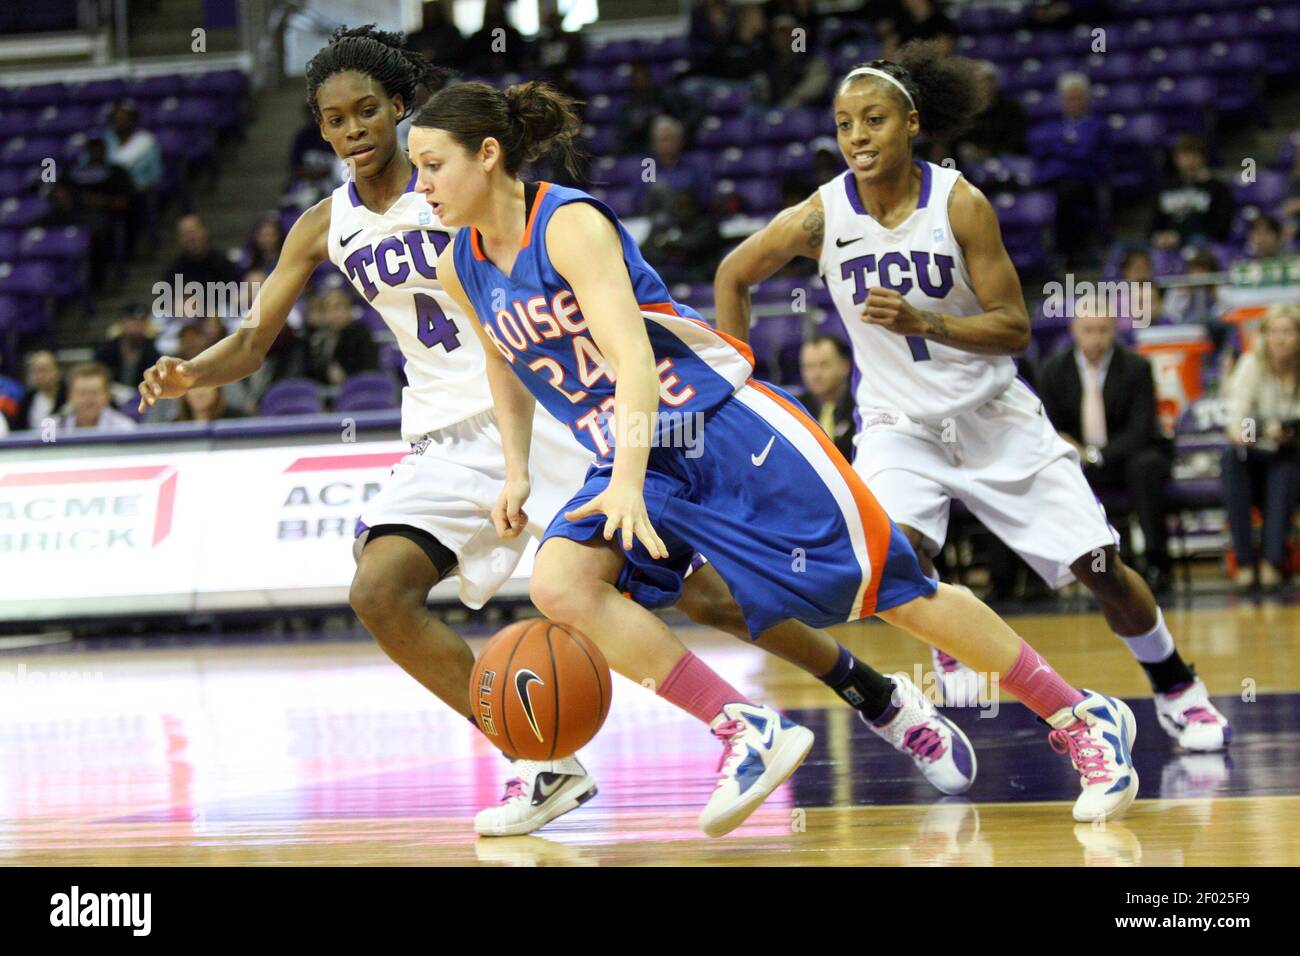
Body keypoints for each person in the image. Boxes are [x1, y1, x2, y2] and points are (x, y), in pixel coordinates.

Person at [139, 26, 976, 840]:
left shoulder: (457, 180)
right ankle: (541, 760)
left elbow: (546, 247)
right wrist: (189, 373)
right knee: (378, 593)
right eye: (333, 119)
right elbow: (251, 341)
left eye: (366, 111)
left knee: (703, 594)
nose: (352, 130)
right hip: (445, 430)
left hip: (552, 408)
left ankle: (872, 692)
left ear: (399, 108)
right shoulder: (323, 224)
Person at [415, 76, 1143, 825]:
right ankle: (747, 728)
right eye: (417, 169)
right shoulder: (457, 264)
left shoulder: (566, 224)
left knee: (896, 596)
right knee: (562, 582)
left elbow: (634, 357)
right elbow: (503, 363)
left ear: (489, 155)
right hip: (633, 453)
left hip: (720, 425)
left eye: (433, 164)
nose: (423, 185)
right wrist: (516, 471)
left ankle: (1079, 715)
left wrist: (626, 478)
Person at [714, 43, 1230, 759]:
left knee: (1101, 570)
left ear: (912, 124)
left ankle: (1174, 683)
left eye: (873, 120)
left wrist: (927, 321)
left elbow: (1014, 327)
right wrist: (735, 381)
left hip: (994, 419)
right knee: (894, 561)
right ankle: (952, 645)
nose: (857, 137)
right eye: (843, 125)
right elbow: (733, 274)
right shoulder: (821, 215)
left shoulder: (959, 204)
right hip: (900, 427)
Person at [1039, 303, 1175, 591]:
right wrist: (1071, 449)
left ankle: (1156, 563)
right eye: (1088, 330)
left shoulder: (1137, 367)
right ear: (1074, 331)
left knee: (1146, 466)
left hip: (1126, 458)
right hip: (1077, 462)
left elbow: (1140, 431)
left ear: (1114, 331)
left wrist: (1095, 455)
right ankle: (1058, 571)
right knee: (1047, 471)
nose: (1096, 338)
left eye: (1103, 330)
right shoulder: (1053, 370)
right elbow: (1047, 427)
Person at [1220, 307, 1300, 591]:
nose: (1280, 340)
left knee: (1286, 463)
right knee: (1231, 458)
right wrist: (1264, 431)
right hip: (1254, 454)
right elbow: (1236, 425)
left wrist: (1290, 433)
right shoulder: (1251, 365)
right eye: (1274, 332)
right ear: (1264, 336)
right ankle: (1243, 562)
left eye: (1288, 332)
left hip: (1293, 456)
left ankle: (1272, 561)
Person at [1028, 72, 1110, 268]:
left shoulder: (1097, 125)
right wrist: (1068, 147)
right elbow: (1037, 148)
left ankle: (1069, 253)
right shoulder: (1051, 126)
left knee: (1068, 197)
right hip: (1052, 181)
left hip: (1085, 182)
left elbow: (1086, 152)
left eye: (1077, 98)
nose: (1073, 103)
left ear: (1086, 99)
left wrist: (1057, 148)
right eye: (1068, 98)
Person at [1150, 134, 1235, 250]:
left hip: (1202, 247)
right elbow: (1154, 224)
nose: (1189, 161)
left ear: (1203, 158)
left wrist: (1181, 237)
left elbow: (1221, 227)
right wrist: (1158, 237)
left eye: (1194, 155)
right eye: (1185, 156)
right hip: (1168, 245)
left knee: (1198, 242)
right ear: (1176, 159)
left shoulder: (1218, 188)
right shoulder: (1166, 188)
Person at [302, 286, 379, 385]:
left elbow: (368, 369)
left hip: (359, 390)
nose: (334, 314)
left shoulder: (361, 334)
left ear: (348, 310)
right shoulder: (318, 339)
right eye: (329, 310)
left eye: (338, 308)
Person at [799, 334, 856, 460]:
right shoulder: (795, 408)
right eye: (809, 366)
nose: (816, 374)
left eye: (824, 365)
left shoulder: (860, 406)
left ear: (845, 366)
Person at [94, 304, 161, 392]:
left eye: (139, 322)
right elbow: (99, 376)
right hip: (110, 394)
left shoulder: (152, 352)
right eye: (131, 322)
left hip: (142, 396)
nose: (135, 327)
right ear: (122, 323)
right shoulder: (106, 351)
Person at [61, 363, 136, 433]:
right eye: (82, 393)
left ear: (108, 396)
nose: (88, 400)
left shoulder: (126, 428)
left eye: (94, 393)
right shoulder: (53, 428)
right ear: (70, 395)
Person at [15, 350, 66, 431]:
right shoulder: (27, 401)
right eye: (36, 370)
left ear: (57, 371)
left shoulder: (67, 397)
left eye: (44, 370)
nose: (40, 375)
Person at [175, 385, 245, 422]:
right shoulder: (173, 427)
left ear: (218, 390)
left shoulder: (238, 420)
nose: (199, 392)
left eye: (206, 386)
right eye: (193, 387)